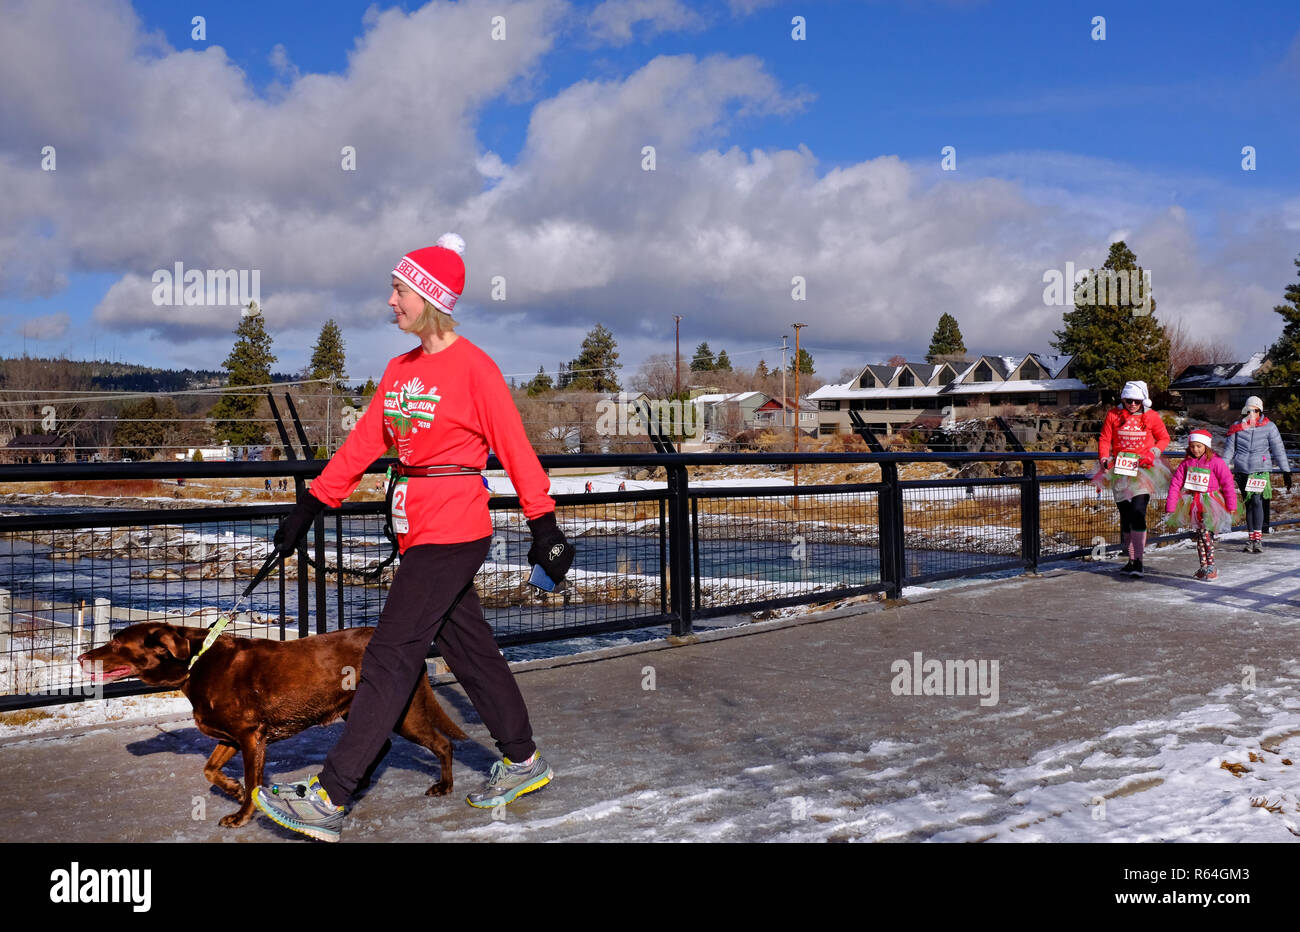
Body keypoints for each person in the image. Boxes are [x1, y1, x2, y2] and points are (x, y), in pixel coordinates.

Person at [251, 233, 575, 842]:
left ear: (428, 297)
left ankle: (331, 795)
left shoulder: (475, 369)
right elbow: (362, 445)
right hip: (414, 529)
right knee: (470, 649)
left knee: (390, 655)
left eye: (399, 291)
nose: (390, 303)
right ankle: (524, 760)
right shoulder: (400, 371)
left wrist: (545, 524)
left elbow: (515, 450)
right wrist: (313, 503)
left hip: (454, 531)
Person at [1092, 380, 1171, 577]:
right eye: (1129, 400)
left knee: (1138, 511)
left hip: (1144, 470)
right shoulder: (1113, 415)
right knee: (1126, 516)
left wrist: (1153, 452)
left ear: (1143, 400)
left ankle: (1139, 562)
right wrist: (1103, 457)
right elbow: (1104, 438)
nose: (1132, 404)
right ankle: (1131, 559)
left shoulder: (1151, 416)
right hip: (1120, 469)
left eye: (1136, 401)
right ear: (1123, 399)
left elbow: (1164, 438)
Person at [1164, 430, 1237, 580]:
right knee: (1200, 536)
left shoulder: (1216, 462)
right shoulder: (1186, 463)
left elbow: (1227, 483)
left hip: (1211, 502)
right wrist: (1170, 506)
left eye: (1199, 446)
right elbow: (1175, 484)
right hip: (1193, 501)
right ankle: (1203, 566)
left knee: (1205, 533)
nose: (1195, 449)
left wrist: (1231, 504)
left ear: (1206, 446)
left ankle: (1212, 566)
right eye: (1192, 446)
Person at [1223, 395, 1292, 553]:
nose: (1251, 413)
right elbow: (1228, 451)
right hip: (1242, 471)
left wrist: (1286, 471)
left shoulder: (1269, 427)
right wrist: (1221, 470)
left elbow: (1278, 449)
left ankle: (1257, 539)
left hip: (1260, 470)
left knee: (1257, 501)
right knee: (1249, 504)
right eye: (1249, 409)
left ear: (1260, 411)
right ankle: (1250, 538)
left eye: (1255, 410)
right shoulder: (1236, 427)